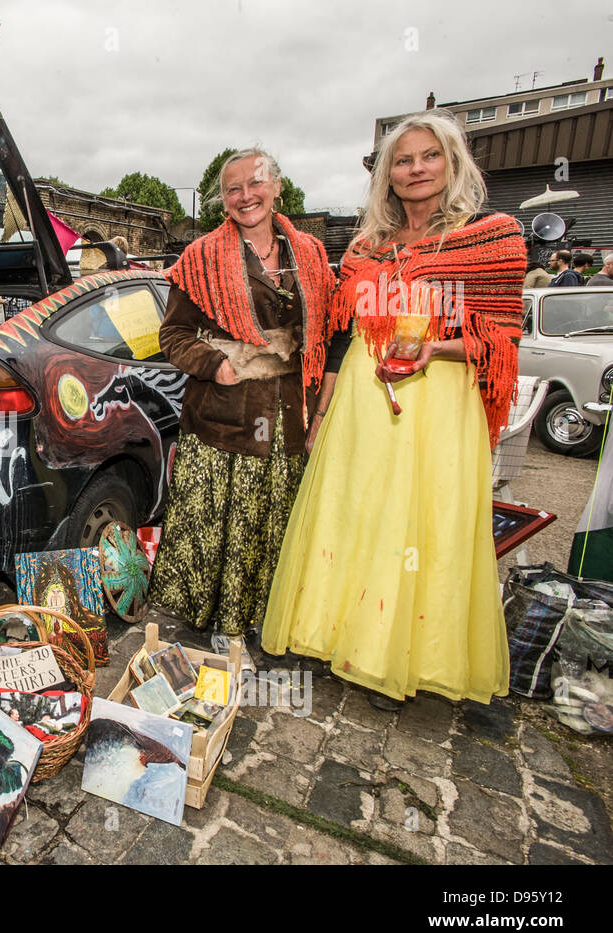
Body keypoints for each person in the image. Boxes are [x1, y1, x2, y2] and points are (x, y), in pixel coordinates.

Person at [262, 111, 526, 710]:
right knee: (354, 509)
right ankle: (333, 634)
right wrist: (324, 401)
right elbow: (337, 330)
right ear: (387, 174)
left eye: (428, 156)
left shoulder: (490, 238)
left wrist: (437, 347)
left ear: (452, 163)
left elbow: (504, 338)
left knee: (416, 523)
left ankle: (394, 657)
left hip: (436, 399)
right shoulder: (365, 246)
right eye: (402, 161)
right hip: (363, 392)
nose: (415, 169)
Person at [148, 148, 339, 646]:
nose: (245, 195)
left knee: (272, 527)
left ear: (277, 187)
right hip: (225, 418)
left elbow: (332, 330)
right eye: (233, 189)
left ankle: (263, 622)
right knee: (220, 527)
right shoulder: (200, 258)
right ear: (223, 200)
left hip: (290, 417)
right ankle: (211, 624)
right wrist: (219, 365)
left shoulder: (312, 255)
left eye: (255, 183)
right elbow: (173, 337)